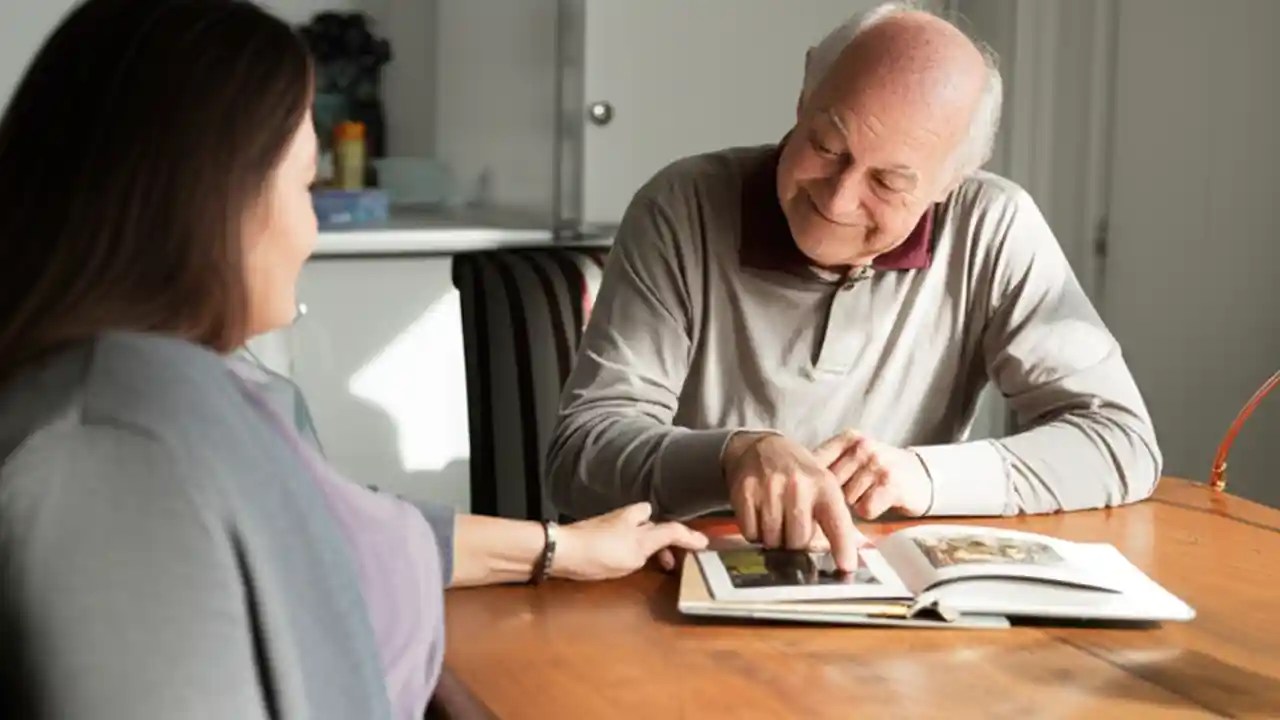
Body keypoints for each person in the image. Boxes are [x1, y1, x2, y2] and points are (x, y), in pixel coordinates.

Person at [0, 1, 703, 718]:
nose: (311, 228)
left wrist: (565, 548)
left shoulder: (183, 389)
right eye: (307, 185)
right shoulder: (118, 455)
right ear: (215, 201)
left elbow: (367, 529)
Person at [547, 1, 1161, 571]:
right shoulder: (682, 206)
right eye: (825, 145)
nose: (838, 198)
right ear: (803, 95)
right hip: (679, 586)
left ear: (954, 181)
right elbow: (579, 458)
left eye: (890, 183)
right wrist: (733, 455)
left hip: (889, 594)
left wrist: (919, 476)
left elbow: (1121, 443)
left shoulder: (992, 225)